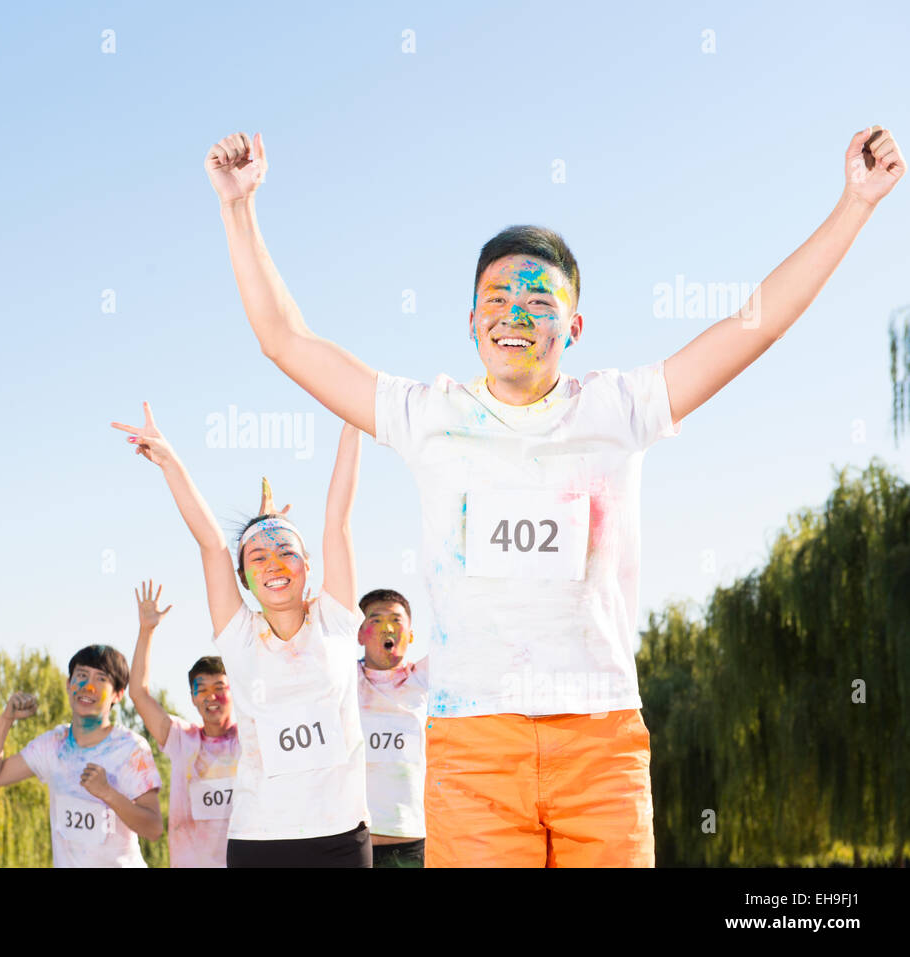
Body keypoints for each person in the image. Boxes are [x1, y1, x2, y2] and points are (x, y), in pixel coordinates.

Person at [203, 126, 904, 866]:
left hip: (599, 741)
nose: (514, 312)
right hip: (474, 745)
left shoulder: (618, 407)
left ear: (573, 325)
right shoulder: (426, 414)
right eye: (496, 297)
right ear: (471, 322)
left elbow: (753, 326)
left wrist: (854, 205)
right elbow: (285, 340)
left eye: (540, 300)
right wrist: (240, 209)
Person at [113, 407, 371, 866]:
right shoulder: (240, 637)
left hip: (341, 837)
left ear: (307, 565)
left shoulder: (336, 618)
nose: (273, 563)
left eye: (286, 551)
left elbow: (339, 519)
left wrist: (352, 419)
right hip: (260, 839)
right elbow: (211, 542)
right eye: (257, 557)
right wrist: (170, 460)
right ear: (244, 578)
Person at [0, 644, 162, 867]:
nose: (88, 687)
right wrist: (6, 720)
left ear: (118, 695)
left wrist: (107, 793)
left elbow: (153, 829)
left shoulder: (131, 748)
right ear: (68, 684)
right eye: (82, 675)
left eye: (101, 679)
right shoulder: (54, 744)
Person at [128, 578, 240, 868]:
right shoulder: (181, 739)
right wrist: (146, 631)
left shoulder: (251, 736)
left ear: (234, 690)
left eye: (219, 687)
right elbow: (138, 693)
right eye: (201, 689)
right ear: (192, 697)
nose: (210, 696)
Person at [356, 589, 428, 868]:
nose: (387, 627)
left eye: (396, 620)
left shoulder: (426, 679)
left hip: (413, 843)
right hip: (353, 842)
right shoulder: (342, 680)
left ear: (410, 634)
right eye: (375, 619)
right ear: (360, 634)